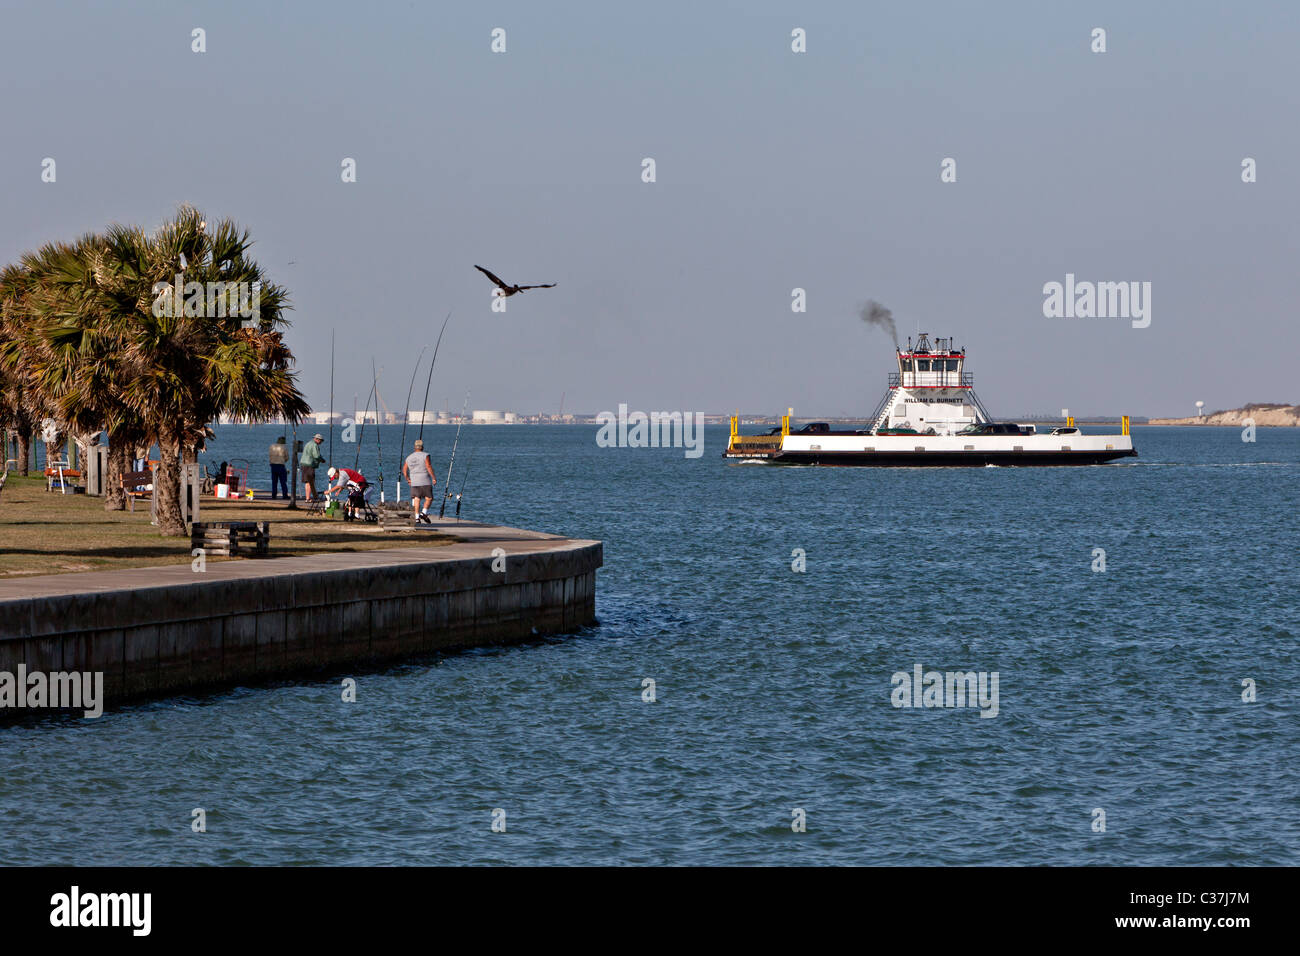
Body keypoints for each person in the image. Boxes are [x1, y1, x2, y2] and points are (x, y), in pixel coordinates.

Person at [402, 439, 437, 524]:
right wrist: (433, 477)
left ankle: (417, 518)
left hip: (414, 481)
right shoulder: (426, 455)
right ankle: (424, 512)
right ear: (422, 447)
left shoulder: (409, 457)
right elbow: (428, 466)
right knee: (429, 498)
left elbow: (404, 470)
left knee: (417, 499)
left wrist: (408, 479)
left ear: (414, 447)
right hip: (425, 480)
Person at [300, 433, 325, 501]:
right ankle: (308, 498)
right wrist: (322, 460)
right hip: (309, 465)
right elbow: (316, 455)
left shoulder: (308, 443)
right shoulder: (314, 445)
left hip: (304, 464)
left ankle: (308, 497)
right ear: (317, 439)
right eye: (321, 441)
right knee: (310, 482)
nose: (321, 442)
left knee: (307, 482)